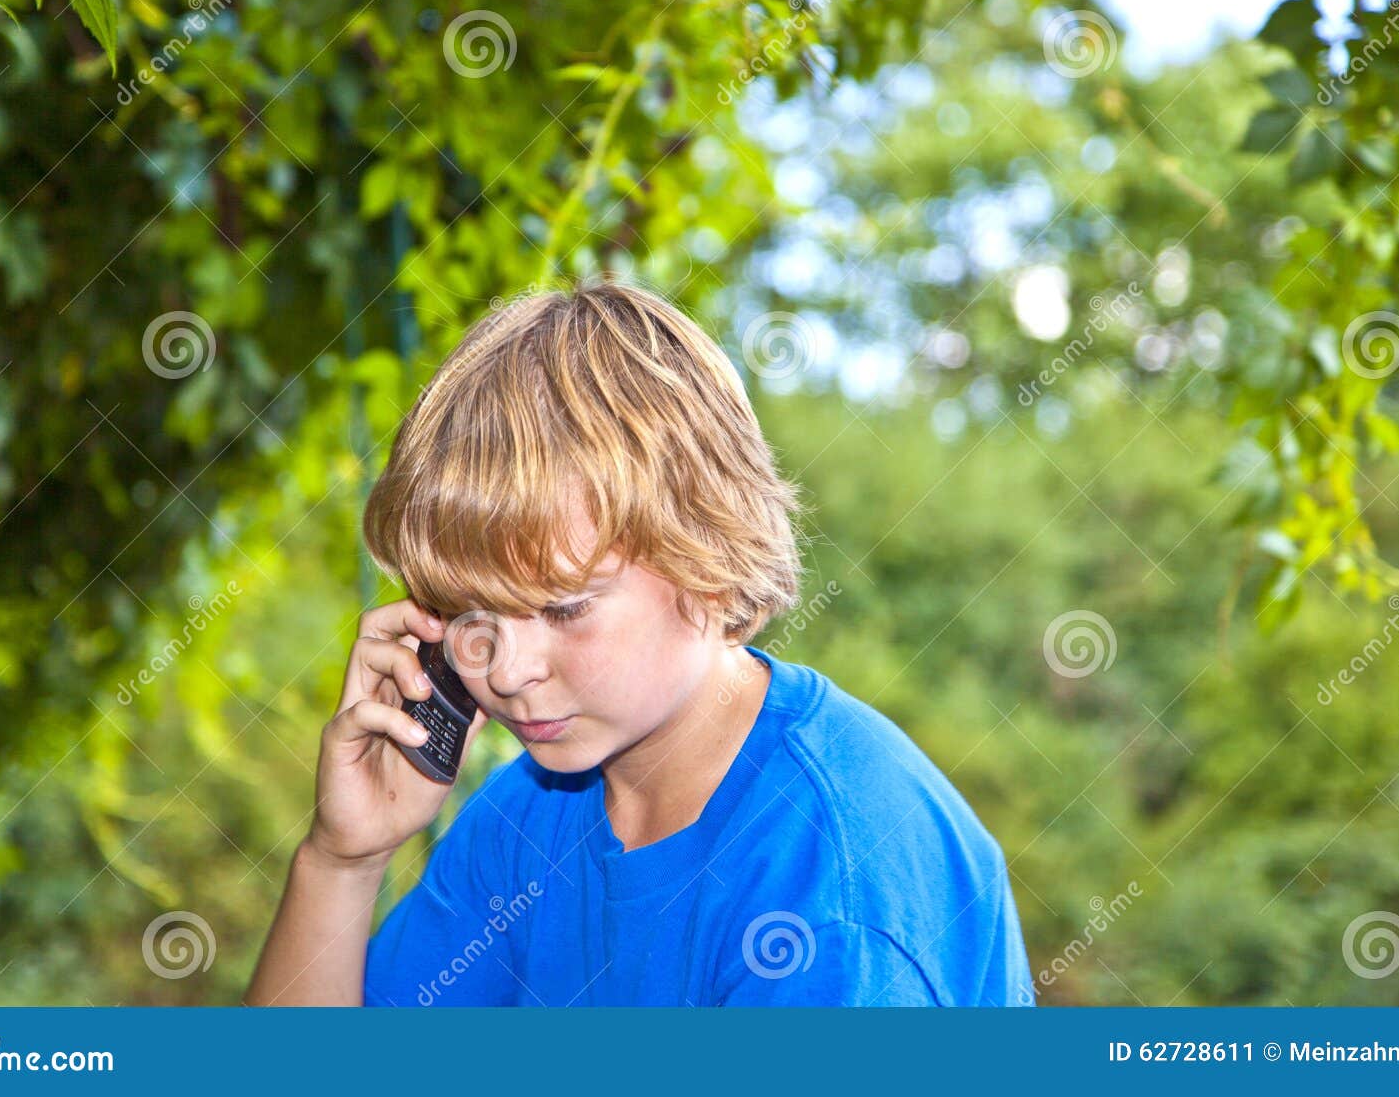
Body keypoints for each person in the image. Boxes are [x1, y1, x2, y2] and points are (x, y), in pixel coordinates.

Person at [243, 279, 1032, 1006]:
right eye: (471, 616)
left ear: (708, 556)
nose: (508, 670)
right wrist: (342, 862)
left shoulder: (832, 898)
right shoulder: (534, 814)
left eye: (564, 607)